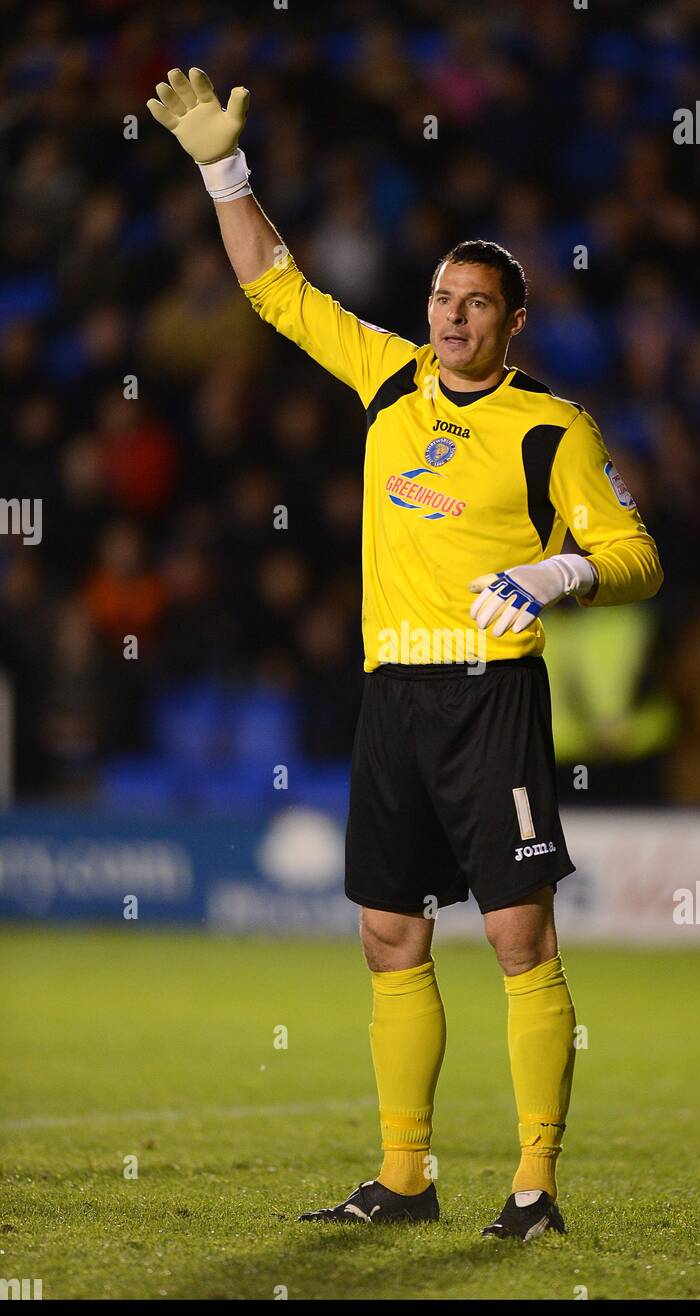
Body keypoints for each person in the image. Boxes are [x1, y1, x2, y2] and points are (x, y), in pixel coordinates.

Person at [148, 69, 663, 1240]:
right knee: (390, 933)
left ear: (511, 321)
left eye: (475, 304)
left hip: (493, 697)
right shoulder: (385, 378)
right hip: (393, 694)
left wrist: (561, 570)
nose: (450, 317)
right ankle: (405, 1179)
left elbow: (637, 553)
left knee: (516, 933)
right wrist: (223, 171)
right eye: (440, 296)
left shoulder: (552, 429)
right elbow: (274, 288)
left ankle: (532, 1190)